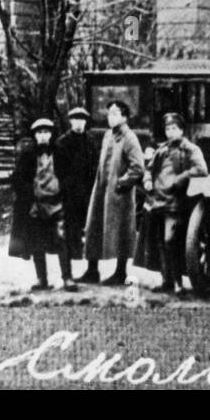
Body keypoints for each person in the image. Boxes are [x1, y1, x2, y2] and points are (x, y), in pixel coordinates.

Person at [137, 112, 208, 295]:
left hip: (176, 203)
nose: (170, 132)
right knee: (160, 242)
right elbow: (149, 168)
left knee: (171, 241)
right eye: (168, 129)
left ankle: (178, 282)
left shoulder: (190, 149)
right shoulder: (162, 150)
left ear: (182, 130)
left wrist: (180, 179)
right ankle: (166, 280)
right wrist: (147, 181)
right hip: (157, 200)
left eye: (174, 128)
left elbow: (201, 169)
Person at [8, 117, 77, 291]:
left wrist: (63, 188)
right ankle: (42, 279)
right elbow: (17, 179)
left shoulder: (61, 153)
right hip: (36, 204)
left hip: (57, 203)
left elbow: (71, 176)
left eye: (46, 132)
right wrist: (29, 194)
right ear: (34, 136)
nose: (43, 136)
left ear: (52, 134)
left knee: (62, 239)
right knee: (36, 241)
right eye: (39, 133)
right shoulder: (27, 155)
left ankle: (67, 278)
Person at [82, 99, 145, 285]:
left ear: (124, 117)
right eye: (109, 113)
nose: (111, 117)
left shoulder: (129, 138)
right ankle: (92, 271)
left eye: (116, 113)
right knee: (94, 228)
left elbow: (138, 168)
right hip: (102, 191)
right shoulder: (108, 135)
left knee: (122, 233)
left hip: (120, 195)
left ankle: (120, 272)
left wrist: (121, 183)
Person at [57, 107, 97, 271]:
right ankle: (68, 273)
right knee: (69, 231)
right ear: (71, 121)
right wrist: (67, 188)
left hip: (88, 193)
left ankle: (92, 270)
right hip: (70, 194)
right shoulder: (62, 142)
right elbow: (59, 170)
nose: (79, 123)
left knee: (91, 230)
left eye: (82, 120)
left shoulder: (90, 141)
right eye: (76, 120)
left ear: (86, 122)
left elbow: (95, 166)